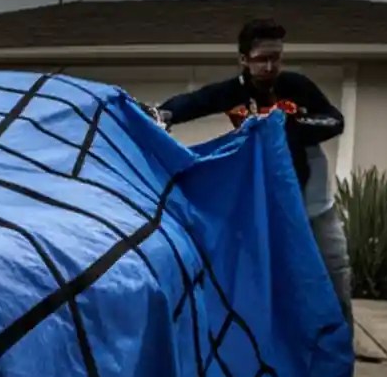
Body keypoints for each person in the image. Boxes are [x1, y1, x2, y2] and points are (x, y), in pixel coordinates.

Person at [148, 18, 353, 327]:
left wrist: (289, 126)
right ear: (244, 60)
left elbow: (335, 121)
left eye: (276, 57)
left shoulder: (297, 87)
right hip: (267, 211)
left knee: (335, 271)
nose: (270, 66)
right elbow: (194, 102)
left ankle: (340, 347)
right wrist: (159, 115)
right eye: (261, 59)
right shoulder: (233, 93)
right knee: (266, 282)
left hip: (313, 207)